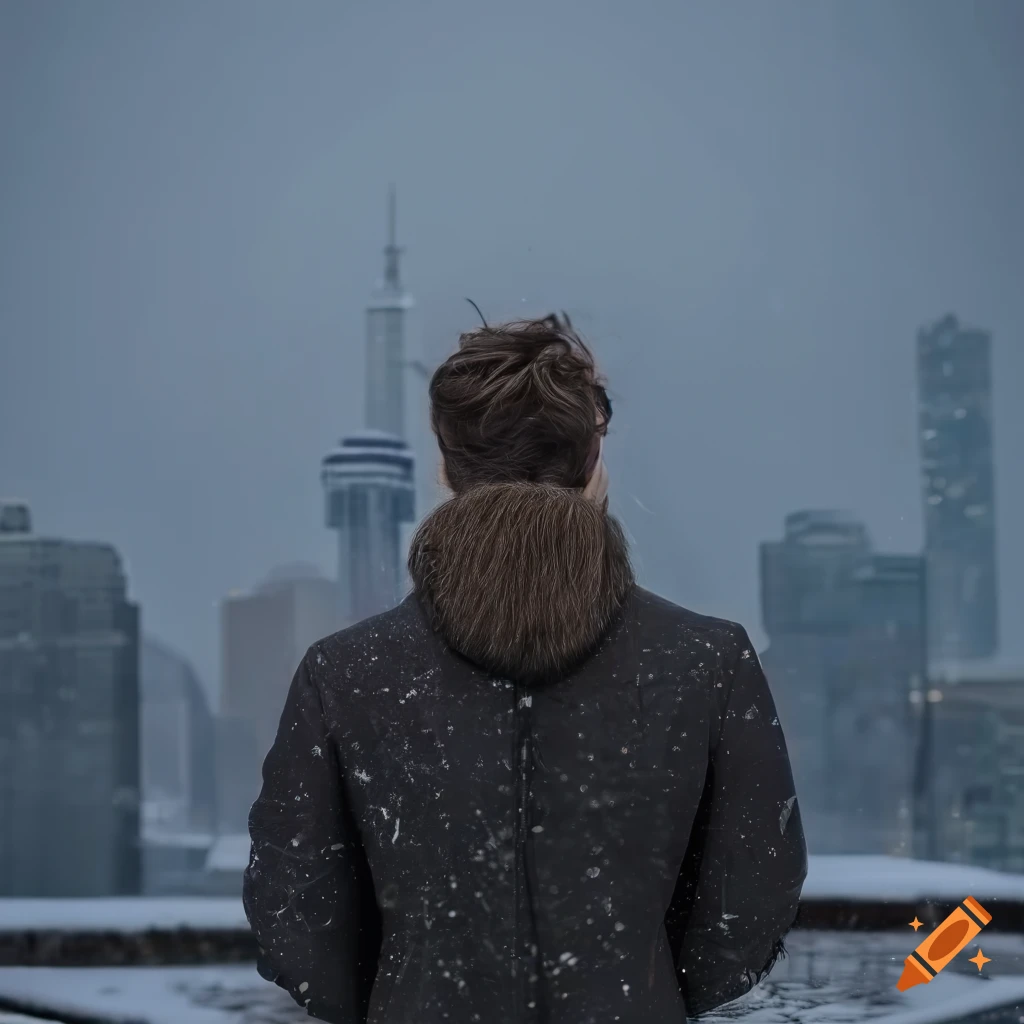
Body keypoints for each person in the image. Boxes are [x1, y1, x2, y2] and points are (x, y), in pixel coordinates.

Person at [243, 313, 808, 1024]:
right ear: (593, 462)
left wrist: (403, 995)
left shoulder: (346, 672)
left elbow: (294, 912)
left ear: (446, 467)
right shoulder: (707, 660)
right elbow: (752, 895)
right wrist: (644, 987)